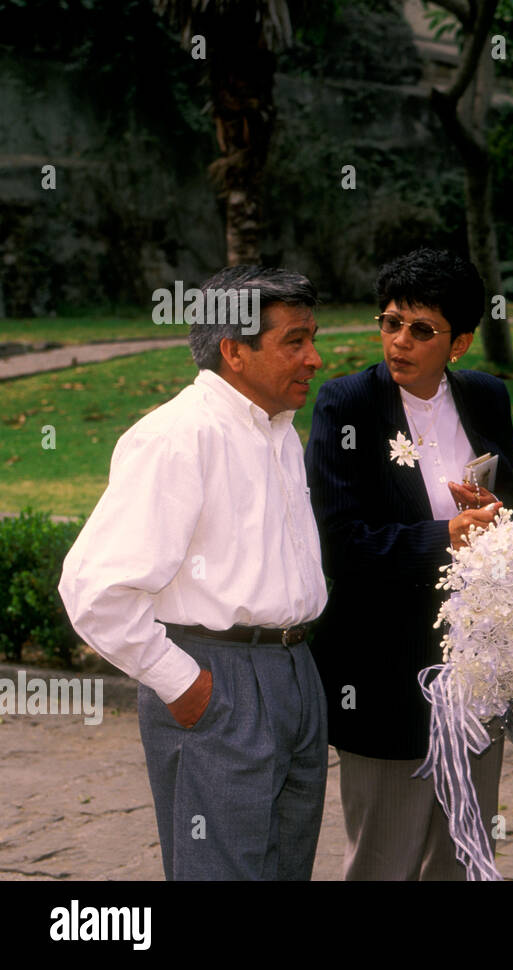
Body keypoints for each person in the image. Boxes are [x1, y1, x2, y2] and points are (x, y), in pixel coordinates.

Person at [59, 265, 329, 880]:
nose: (315, 358)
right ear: (234, 351)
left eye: (312, 337)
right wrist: (181, 683)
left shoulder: (278, 429)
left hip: (295, 674)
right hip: (219, 678)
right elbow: (93, 588)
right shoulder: (177, 438)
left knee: (287, 870)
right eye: (295, 340)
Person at [304, 247, 513, 881]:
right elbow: (341, 543)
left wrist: (496, 513)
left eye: (421, 329)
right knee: (384, 858)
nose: (399, 341)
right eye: (390, 322)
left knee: (460, 852)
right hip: (382, 669)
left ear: (459, 343)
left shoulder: (486, 397)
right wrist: (446, 537)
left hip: (475, 665)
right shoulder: (345, 405)